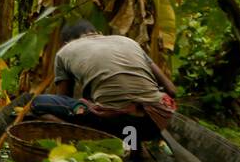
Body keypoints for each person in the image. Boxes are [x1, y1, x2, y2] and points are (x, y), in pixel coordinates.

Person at [30, 20, 177, 152]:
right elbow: (171, 90)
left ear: (66, 43)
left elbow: (64, 98)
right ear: (98, 33)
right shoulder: (128, 41)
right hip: (156, 121)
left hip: (113, 123)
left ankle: (86, 139)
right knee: (128, 107)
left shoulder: (65, 52)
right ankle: (133, 147)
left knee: (38, 103)